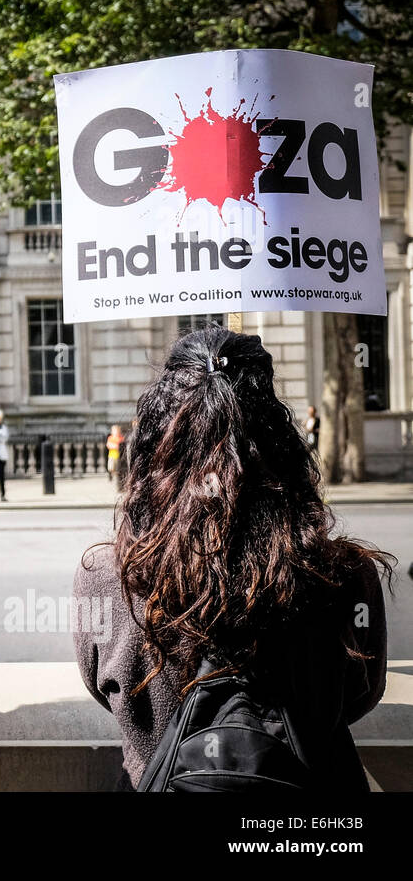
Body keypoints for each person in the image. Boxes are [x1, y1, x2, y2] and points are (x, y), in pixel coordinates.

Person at [72, 328, 392, 790]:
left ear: (154, 444)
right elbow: (361, 696)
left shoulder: (107, 575)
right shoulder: (344, 573)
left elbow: (105, 690)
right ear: (283, 442)